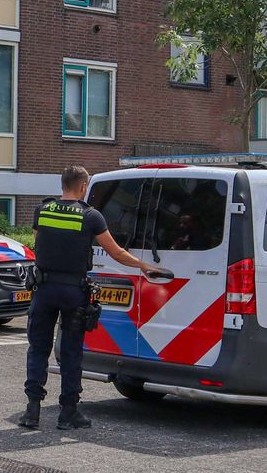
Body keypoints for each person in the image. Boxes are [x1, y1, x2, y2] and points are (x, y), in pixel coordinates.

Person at [20, 165, 163, 430]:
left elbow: (38, 245)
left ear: (62, 184)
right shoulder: (91, 216)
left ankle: (32, 411)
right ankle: (68, 413)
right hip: (73, 292)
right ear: (84, 185)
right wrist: (145, 266)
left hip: (44, 289)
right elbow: (117, 253)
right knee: (72, 352)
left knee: (38, 349)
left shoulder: (44, 211)